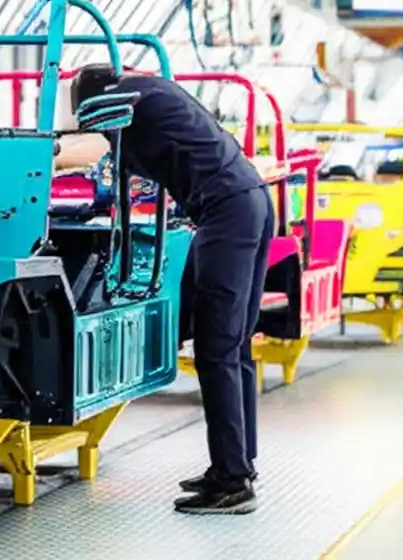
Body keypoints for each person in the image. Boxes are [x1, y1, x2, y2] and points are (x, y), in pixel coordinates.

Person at [56, 64, 273, 515]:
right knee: (235, 349)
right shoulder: (151, 95)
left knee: (217, 350)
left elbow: (85, 149)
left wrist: (40, 152)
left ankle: (233, 483)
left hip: (226, 211)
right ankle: (237, 465)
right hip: (247, 202)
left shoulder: (126, 100)